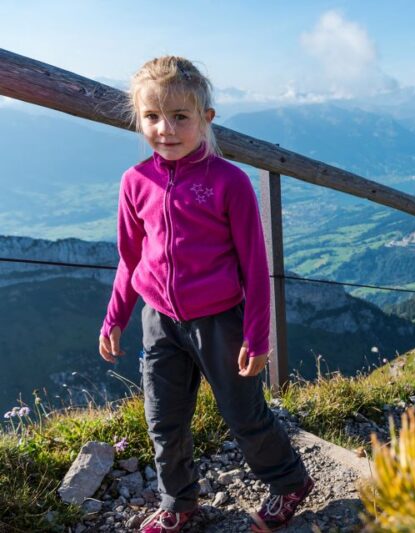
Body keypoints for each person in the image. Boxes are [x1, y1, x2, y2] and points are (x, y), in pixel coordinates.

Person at [97, 56, 313, 533]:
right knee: (162, 418)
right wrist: (114, 317)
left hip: (221, 320)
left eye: (180, 117)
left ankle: (289, 482)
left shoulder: (229, 182)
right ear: (138, 119)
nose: (165, 129)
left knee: (243, 413)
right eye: (151, 117)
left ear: (206, 119)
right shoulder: (135, 182)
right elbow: (130, 258)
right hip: (158, 319)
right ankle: (179, 501)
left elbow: (256, 267)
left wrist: (258, 338)